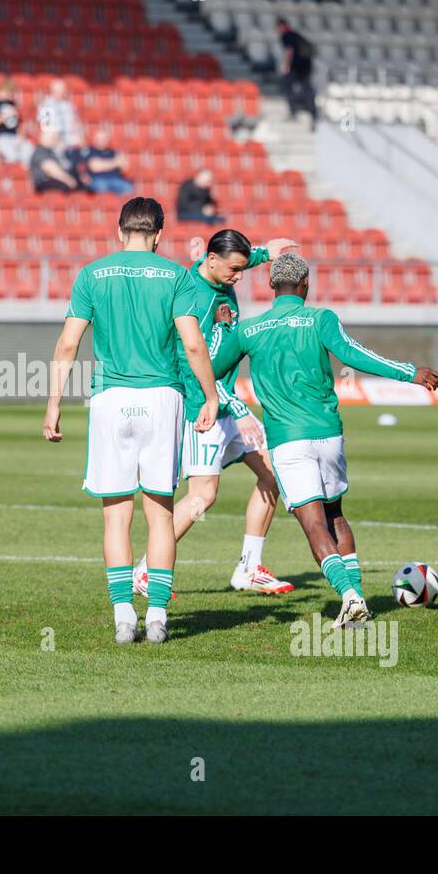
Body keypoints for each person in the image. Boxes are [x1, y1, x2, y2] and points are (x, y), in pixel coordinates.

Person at [216, 252, 438, 627]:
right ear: (305, 285)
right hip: (328, 434)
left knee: (313, 524)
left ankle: (351, 597)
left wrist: (223, 335)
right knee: (335, 513)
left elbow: (211, 370)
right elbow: (355, 354)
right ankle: (356, 601)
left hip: (287, 439)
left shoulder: (248, 330)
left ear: (272, 286)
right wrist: (409, 372)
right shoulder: (321, 318)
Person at [42, 197, 220, 645]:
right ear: (159, 235)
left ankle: (124, 616)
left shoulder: (92, 274)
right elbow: (194, 345)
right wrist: (211, 395)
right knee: (159, 515)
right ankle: (157, 616)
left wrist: (53, 403)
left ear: (120, 231)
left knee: (115, 518)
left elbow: (67, 345)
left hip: (111, 399)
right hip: (162, 397)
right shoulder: (177, 275)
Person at [133, 232, 300, 599]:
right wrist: (238, 408)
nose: (239, 277)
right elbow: (200, 366)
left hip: (226, 405)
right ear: (211, 259)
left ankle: (249, 567)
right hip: (203, 409)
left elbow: (239, 259)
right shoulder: (194, 297)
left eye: (242, 269)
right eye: (235, 270)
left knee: (274, 474)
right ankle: (145, 571)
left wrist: (263, 254)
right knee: (201, 498)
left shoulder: (220, 274)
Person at [277, 18, 318, 128]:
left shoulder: (287, 36)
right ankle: (313, 114)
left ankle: (294, 112)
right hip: (306, 66)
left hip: (297, 67)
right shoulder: (296, 35)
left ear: (282, 26)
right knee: (307, 90)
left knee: (285, 86)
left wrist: (286, 65)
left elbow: (289, 50)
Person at [0, 78, 32, 165]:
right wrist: (6, 114)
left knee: (29, 153)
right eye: (9, 92)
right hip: (1, 136)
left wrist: (21, 135)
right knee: (12, 157)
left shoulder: (12, 103)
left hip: (14, 136)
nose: (10, 95)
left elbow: (18, 124)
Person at [81, 126, 133, 195]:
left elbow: (125, 168)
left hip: (116, 179)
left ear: (107, 139)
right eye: (99, 139)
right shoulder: (90, 151)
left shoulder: (113, 152)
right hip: (98, 180)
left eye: (103, 139)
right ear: (95, 139)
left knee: (128, 188)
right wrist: (115, 162)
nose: (101, 141)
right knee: (102, 187)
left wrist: (104, 164)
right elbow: (94, 167)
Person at [36, 78, 83, 150]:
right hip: (54, 141)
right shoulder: (46, 105)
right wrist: (59, 142)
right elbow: (47, 128)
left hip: (69, 139)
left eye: (62, 90)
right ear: (52, 91)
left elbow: (76, 124)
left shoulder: (69, 106)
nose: (61, 93)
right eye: (58, 91)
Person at [29, 128, 78, 193]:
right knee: (68, 187)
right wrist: (68, 180)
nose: (56, 141)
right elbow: (51, 169)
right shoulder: (40, 151)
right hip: (43, 183)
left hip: (50, 181)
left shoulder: (50, 151)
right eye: (55, 139)